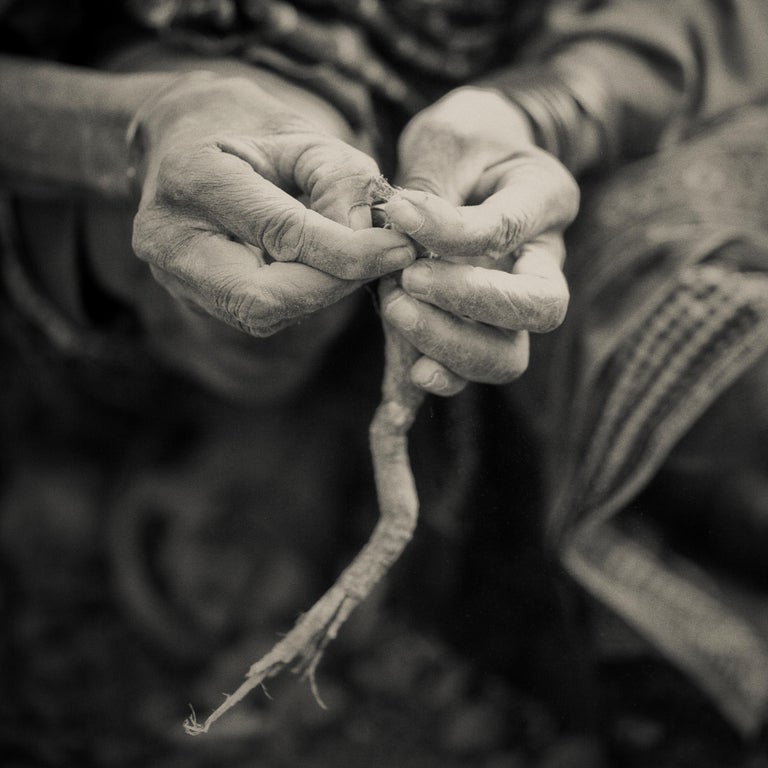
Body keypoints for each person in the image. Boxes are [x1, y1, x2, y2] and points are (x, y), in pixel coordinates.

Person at [1, 1, 768, 765]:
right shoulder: (472, 514)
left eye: (157, 547)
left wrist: (541, 109)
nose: (209, 582)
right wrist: (539, 113)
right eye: (228, 621)